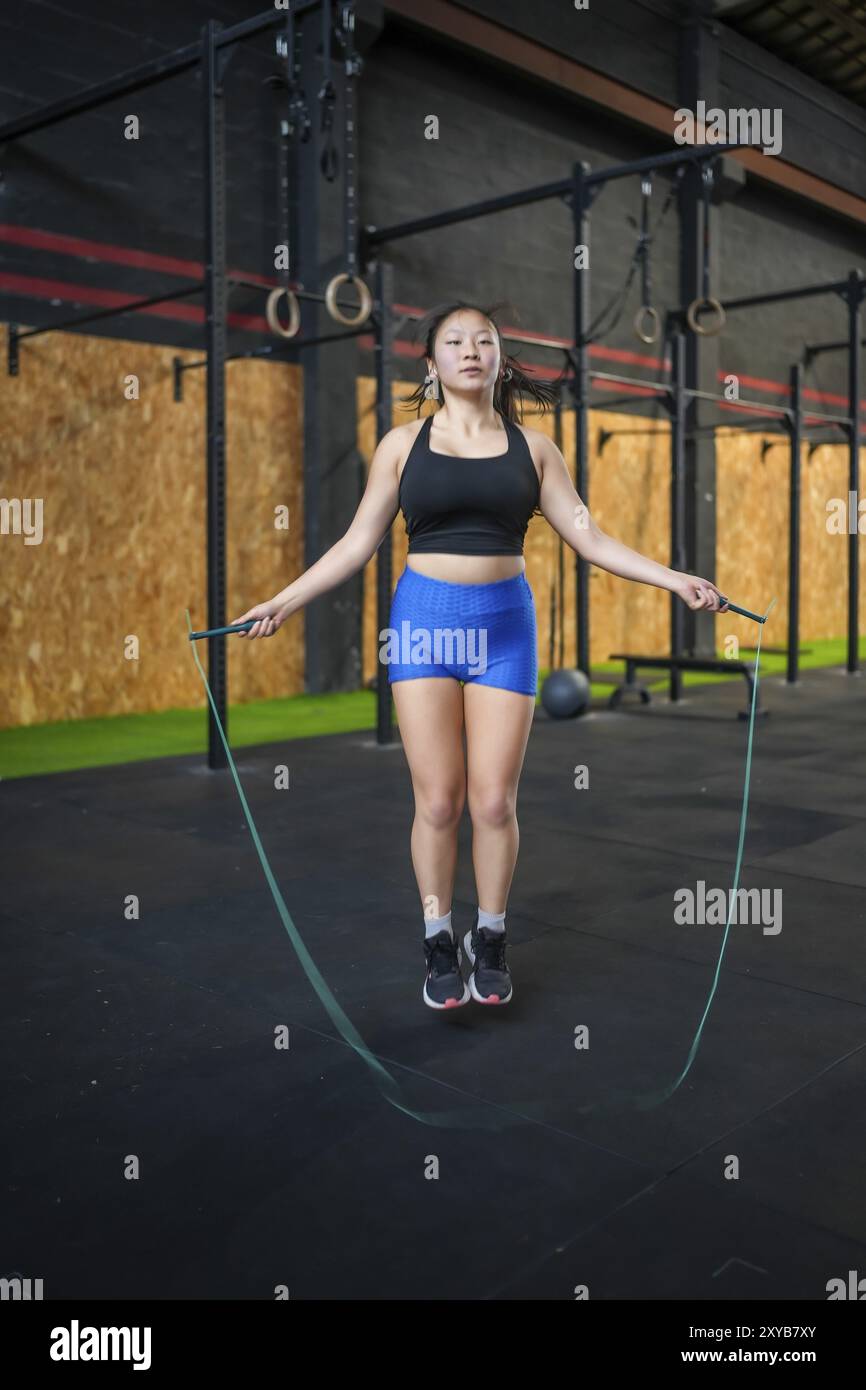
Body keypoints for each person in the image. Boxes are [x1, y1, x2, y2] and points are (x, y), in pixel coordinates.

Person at [230, 300, 728, 1012]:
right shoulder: (402, 446)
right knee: (438, 801)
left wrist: (674, 578)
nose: (471, 350)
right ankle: (439, 936)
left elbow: (591, 539)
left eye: (484, 341)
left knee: (493, 801)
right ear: (430, 366)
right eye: (454, 342)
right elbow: (355, 543)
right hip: (426, 625)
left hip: (505, 629)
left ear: (500, 361)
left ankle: (489, 935)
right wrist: (281, 601)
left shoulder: (537, 451)